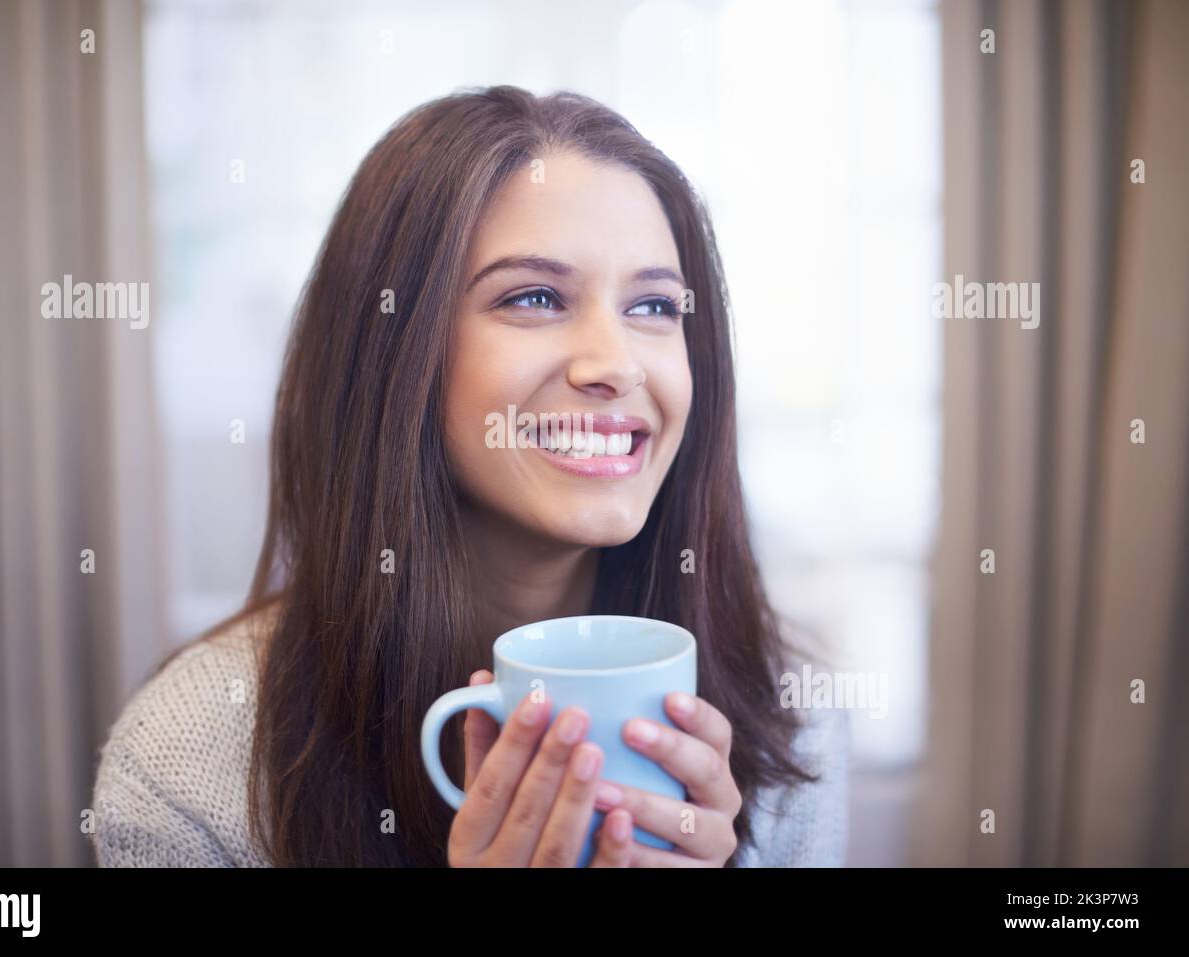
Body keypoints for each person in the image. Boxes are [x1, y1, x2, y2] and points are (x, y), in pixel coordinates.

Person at [91, 85, 850, 867]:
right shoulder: (187, 764)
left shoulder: (788, 713)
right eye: (533, 297)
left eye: (654, 306)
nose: (617, 365)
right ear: (394, 356)